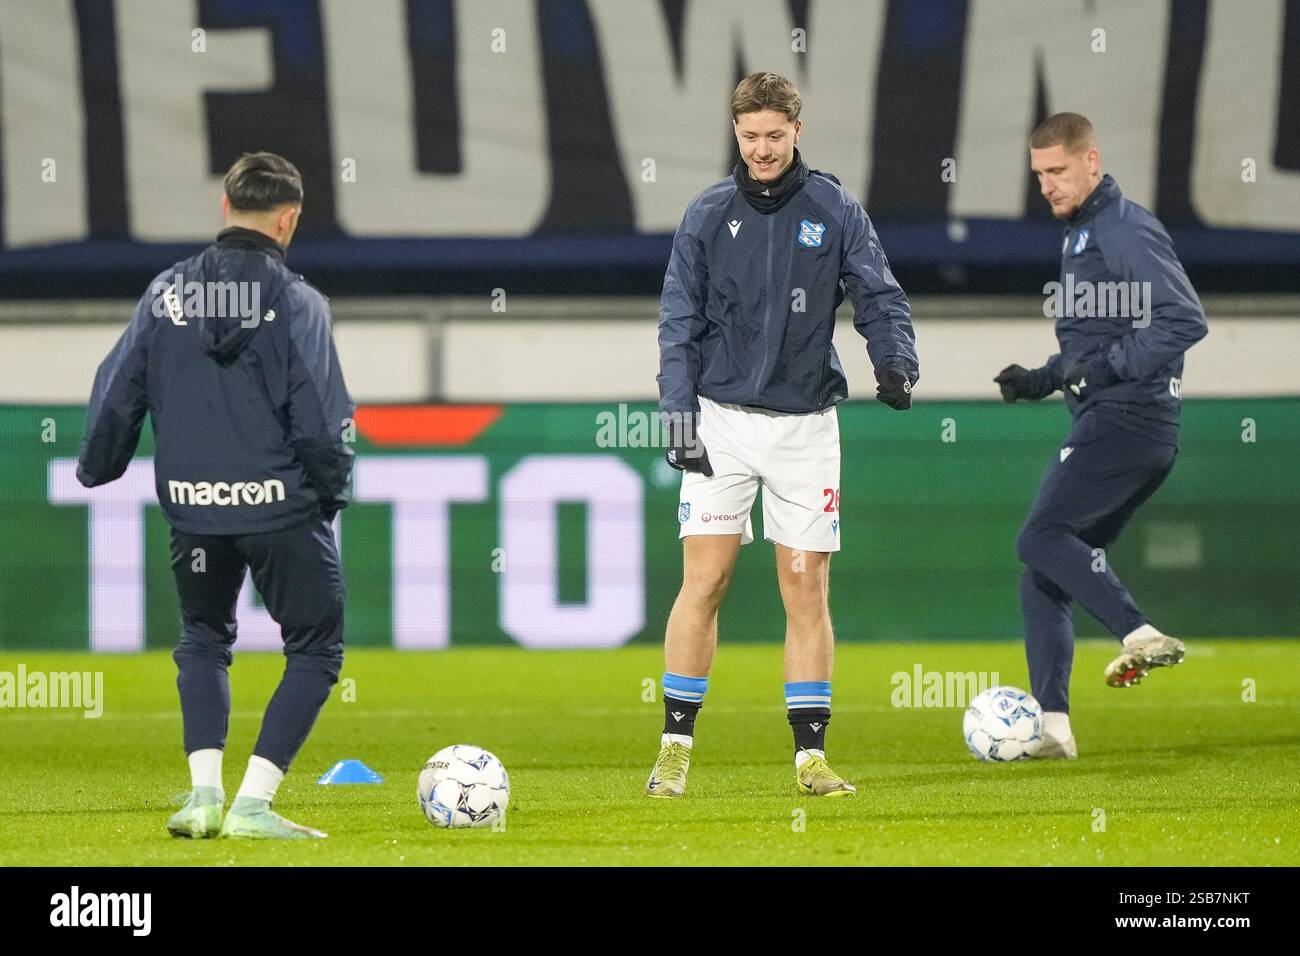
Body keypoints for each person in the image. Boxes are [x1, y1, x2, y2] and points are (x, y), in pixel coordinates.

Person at [649, 72, 919, 798]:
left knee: (805, 588)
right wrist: (677, 409)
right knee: (704, 581)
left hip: (805, 428)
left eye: (773, 135)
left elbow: (879, 294)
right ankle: (674, 749)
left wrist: (893, 361)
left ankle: (810, 759)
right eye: (749, 136)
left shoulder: (834, 209)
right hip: (722, 422)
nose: (761, 149)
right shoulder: (707, 214)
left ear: (797, 131)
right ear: (735, 133)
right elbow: (679, 321)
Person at [77, 152, 355, 837]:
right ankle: (253, 805)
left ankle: (203, 796)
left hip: (194, 511)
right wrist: (330, 493)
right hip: (280, 506)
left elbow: (118, 392)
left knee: (203, 637)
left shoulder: (165, 293)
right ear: (287, 221)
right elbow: (321, 418)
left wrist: (96, 466)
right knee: (316, 648)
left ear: (223, 208)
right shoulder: (298, 302)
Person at [994, 113, 1207, 759]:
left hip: (1128, 418)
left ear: (1092, 161)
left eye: (1058, 171)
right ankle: (1054, 729)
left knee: (1040, 536)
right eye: (1039, 176)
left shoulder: (1123, 227)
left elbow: (1184, 320)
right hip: (1120, 420)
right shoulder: (1084, 234)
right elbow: (1093, 345)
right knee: (1044, 575)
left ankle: (1137, 632)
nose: (1048, 186)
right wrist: (1041, 379)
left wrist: (1105, 371)